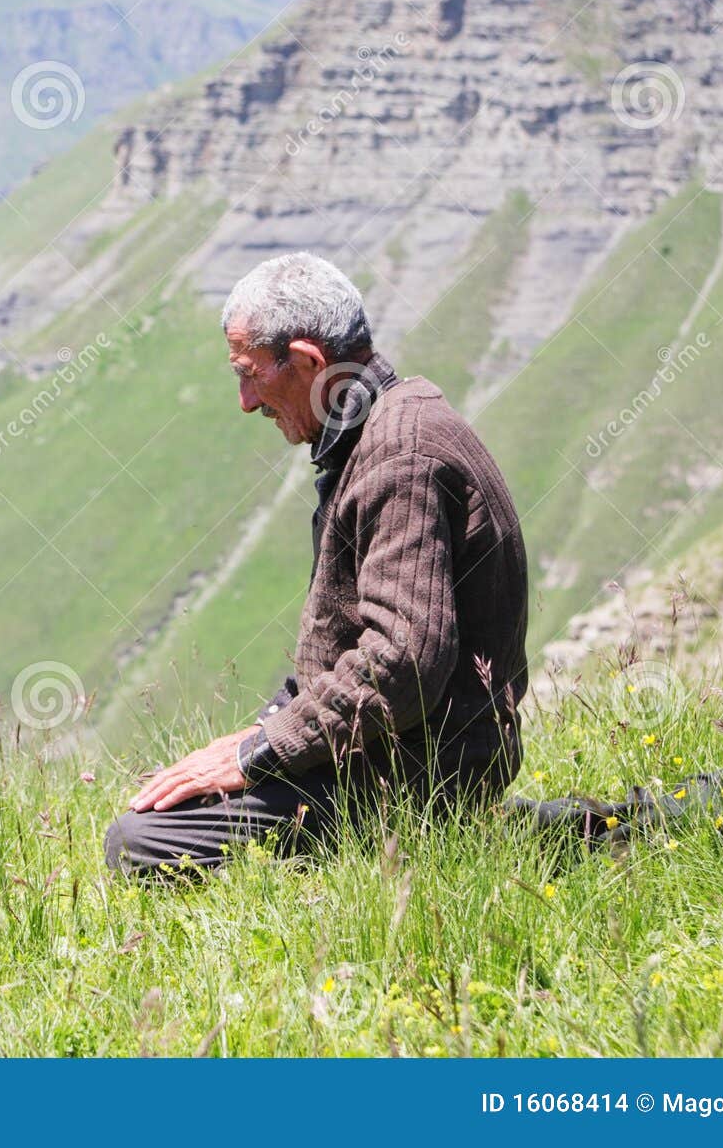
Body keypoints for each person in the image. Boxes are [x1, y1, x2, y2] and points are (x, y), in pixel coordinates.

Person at [104, 253, 528, 874]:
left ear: (306, 361)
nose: (246, 401)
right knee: (164, 809)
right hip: (389, 756)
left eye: (250, 375)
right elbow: (348, 648)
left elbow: (401, 666)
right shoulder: (376, 433)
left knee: (140, 844)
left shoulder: (399, 458)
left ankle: (492, 838)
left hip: (424, 776)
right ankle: (544, 833)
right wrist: (264, 734)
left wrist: (260, 754)